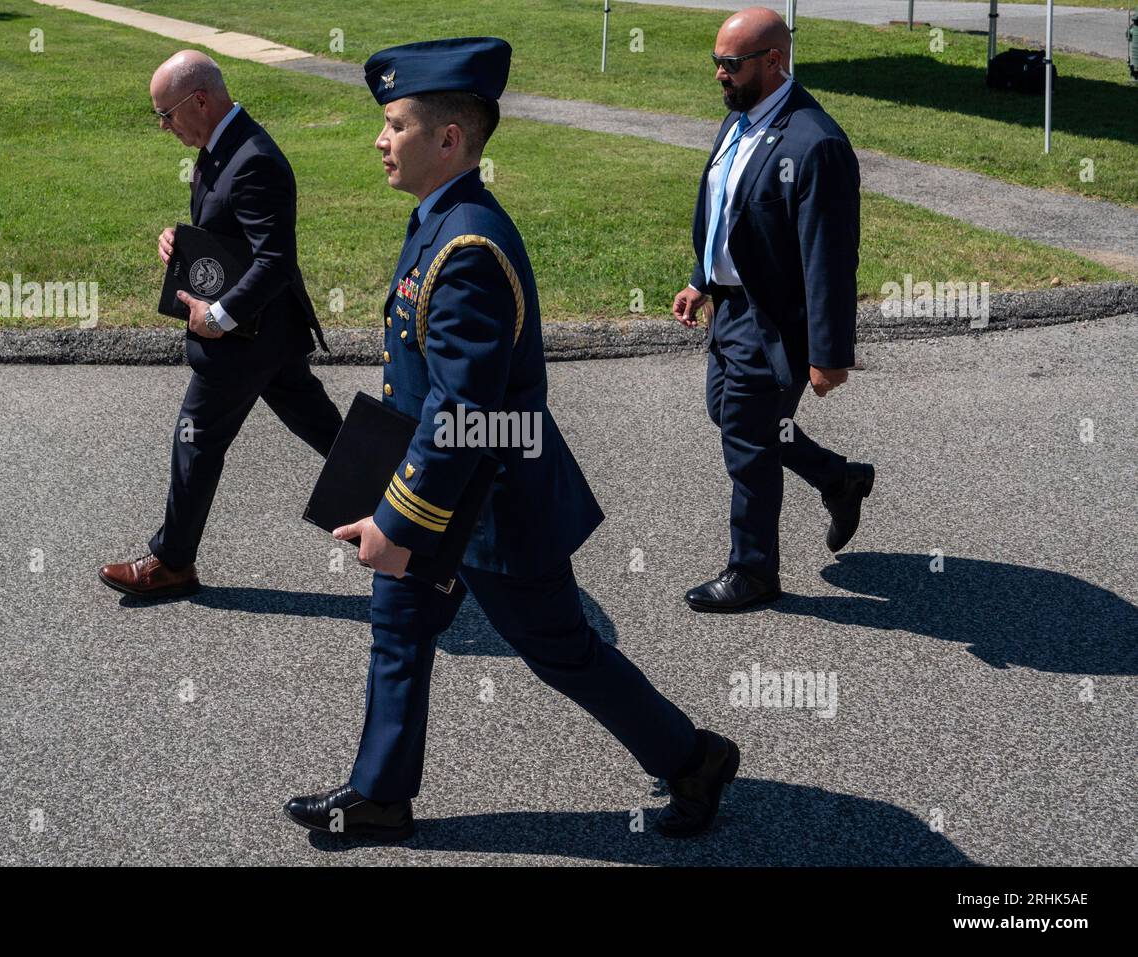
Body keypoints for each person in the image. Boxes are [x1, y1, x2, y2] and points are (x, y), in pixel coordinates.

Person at [283, 37, 739, 843]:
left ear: (448, 139)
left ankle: (692, 756)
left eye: (394, 124)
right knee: (397, 625)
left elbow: (466, 412)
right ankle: (380, 792)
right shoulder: (442, 220)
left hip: (491, 503)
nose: (379, 139)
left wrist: (396, 521)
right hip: (432, 485)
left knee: (561, 649)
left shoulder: (468, 250)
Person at [99, 51, 343, 599]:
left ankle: (171, 562)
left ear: (200, 101)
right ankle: (426, 514)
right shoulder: (218, 147)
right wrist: (180, 242)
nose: (163, 127)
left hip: (245, 340)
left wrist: (218, 315)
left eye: (166, 114)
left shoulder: (255, 159)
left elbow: (274, 260)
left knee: (196, 440)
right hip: (271, 338)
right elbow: (231, 234)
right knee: (324, 430)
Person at [671, 8, 875, 613]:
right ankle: (838, 478)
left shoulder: (816, 143)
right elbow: (727, 208)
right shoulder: (740, 122)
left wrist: (829, 353)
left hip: (776, 322)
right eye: (716, 62)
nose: (718, 75)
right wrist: (701, 280)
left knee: (747, 442)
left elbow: (830, 258)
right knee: (729, 414)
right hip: (732, 310)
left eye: (730, 65)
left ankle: (753, 571)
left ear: (774, 62)